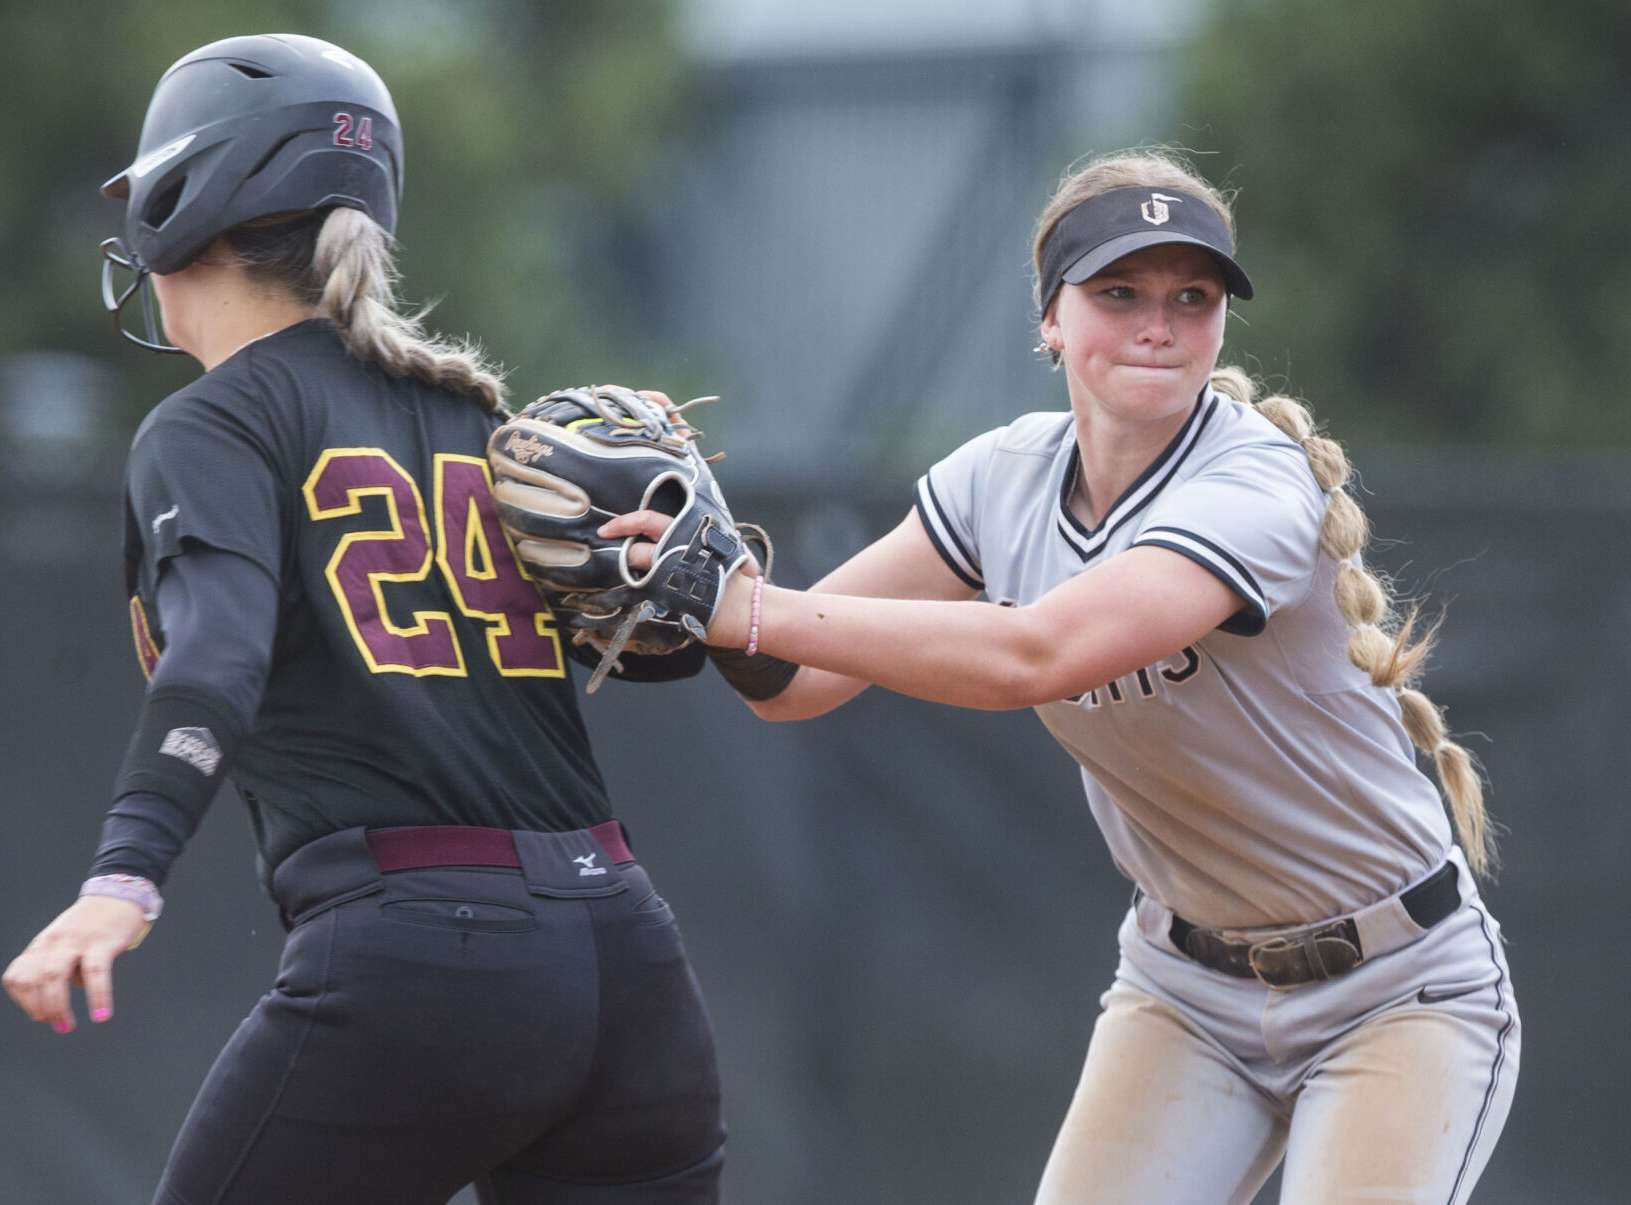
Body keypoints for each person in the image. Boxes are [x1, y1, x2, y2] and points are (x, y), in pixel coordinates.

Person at [611, 149, 1520, 1202]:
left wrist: (745, 599)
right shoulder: (1000, 479)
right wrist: (700, 550)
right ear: (1049, 320)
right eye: (1117, 292)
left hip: (1396, 990)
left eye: (1191, 296)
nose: (1157, 323)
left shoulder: (1255, 484)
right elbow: (794, 682)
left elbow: (1034, 653)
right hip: (1184, 991)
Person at [1, 34, 724, 1205]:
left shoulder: (211, 424)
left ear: (184, 205)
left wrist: (122, 877)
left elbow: (218, 653)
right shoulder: (478, 418)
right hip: (628, 954)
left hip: (429, 957)